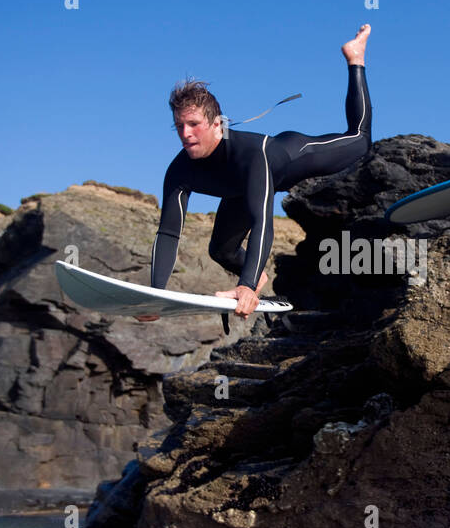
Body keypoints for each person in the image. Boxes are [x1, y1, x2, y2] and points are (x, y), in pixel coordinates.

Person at [138, 24, 373, 321]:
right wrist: (154, 295)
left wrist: (245, 287)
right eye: (179, 126)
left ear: (216, 124)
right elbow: (169, 232)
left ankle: (356, 58)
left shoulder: (251, 154)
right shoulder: (179, 170)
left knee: (361, 140)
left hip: (292, 157)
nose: (185, 133)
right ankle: (257, 275)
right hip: (239, 188)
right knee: (221, 250)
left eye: (194, 124)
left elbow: (261, 220)